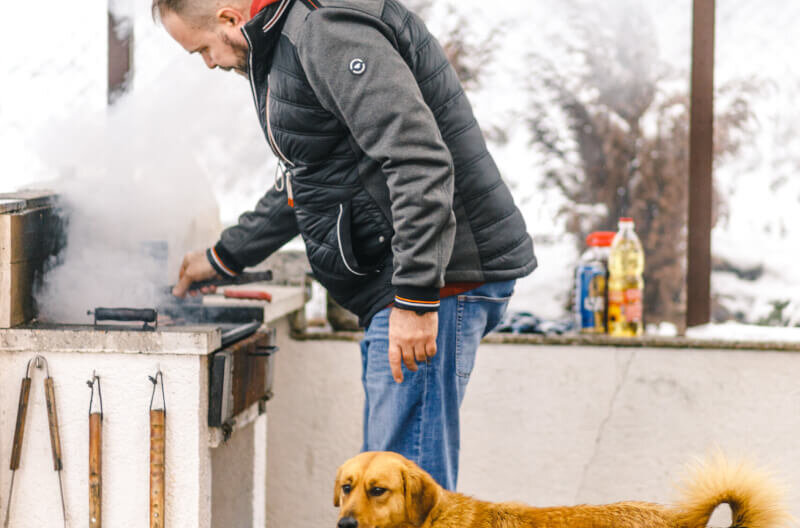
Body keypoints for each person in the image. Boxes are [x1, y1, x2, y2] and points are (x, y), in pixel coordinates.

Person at [155, 0, 536, 490]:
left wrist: (417, 298)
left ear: (230, 19)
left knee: (398, 495)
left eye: (203, 50)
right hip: (404, 280)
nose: (210, 64)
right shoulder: (290, 42)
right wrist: (224, 257)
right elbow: (315, 177)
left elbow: (416, 159)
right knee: (389, 483)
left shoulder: (325, 30)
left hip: (435, 279)